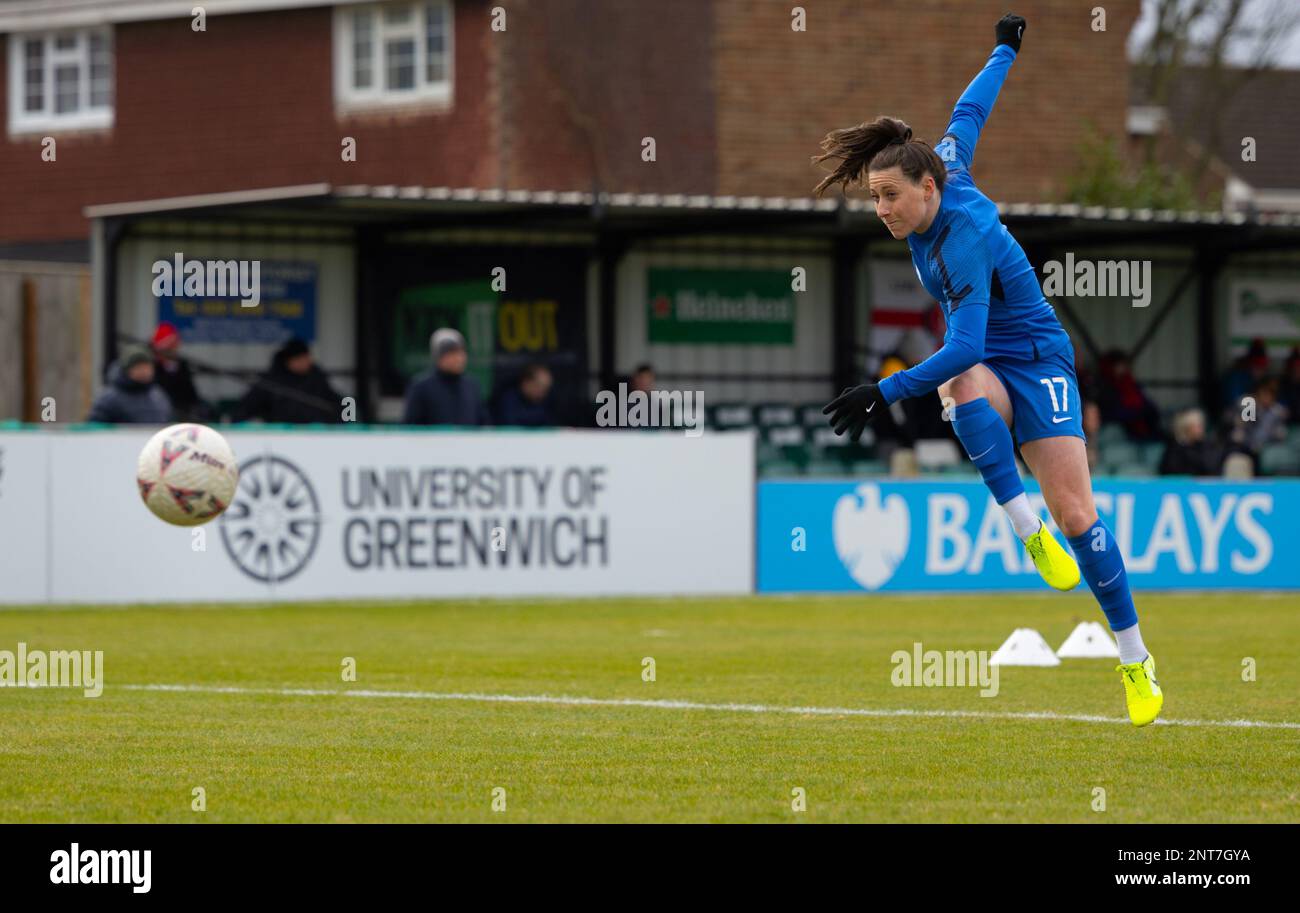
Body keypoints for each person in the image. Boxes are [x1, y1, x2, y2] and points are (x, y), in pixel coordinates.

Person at [813, 14, 1162, 726]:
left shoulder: (964, 237)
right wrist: (1005, 49)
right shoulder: (943, 159)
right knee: (958, 385)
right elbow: (971, 110)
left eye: (889, 197)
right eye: (875, 197)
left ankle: (1134, 658)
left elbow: (969, 343)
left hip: (1037, 359)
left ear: (928, 191)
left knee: (1081, 515)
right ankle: (1025, 528)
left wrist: (882, 390)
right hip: (987, 366)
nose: (880, 209)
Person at [232, 337, 344, 424]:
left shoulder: (317, 378)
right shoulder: (272, 381)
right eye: (300, 359)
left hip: (314, 436)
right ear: (289, 361)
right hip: (280, 437)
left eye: (307, 358)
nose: (306, 362)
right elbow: (246, 407)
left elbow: (334, 403)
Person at [402, 328, 491, 426]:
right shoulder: (421, 387)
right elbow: (411, 427)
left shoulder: (471, 386)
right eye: (451, 354)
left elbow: (483, 423)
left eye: (461, 353)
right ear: (438, 357)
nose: (458, 358)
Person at [87, 349, 172, 424]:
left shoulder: (158, 396)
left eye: (147, 367)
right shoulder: (109, 398)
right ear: (127, 370)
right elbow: (95, 428)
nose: (144, 372)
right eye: (139, 368)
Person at [149, 322, 209, 421]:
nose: (172, 349)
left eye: (173, 345)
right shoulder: (152, 367)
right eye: (167, 346)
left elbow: (191, 394)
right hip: (159, 416)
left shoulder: (182, 365)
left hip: (183, 414)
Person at [1158, 408, 1223, 476]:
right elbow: (1168, 471)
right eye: (1197, 426)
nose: (1201, 429)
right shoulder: (1175, 449)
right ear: (1186, 428)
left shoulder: (1207, 447)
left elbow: (1212, 469)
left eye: (1201, 425)